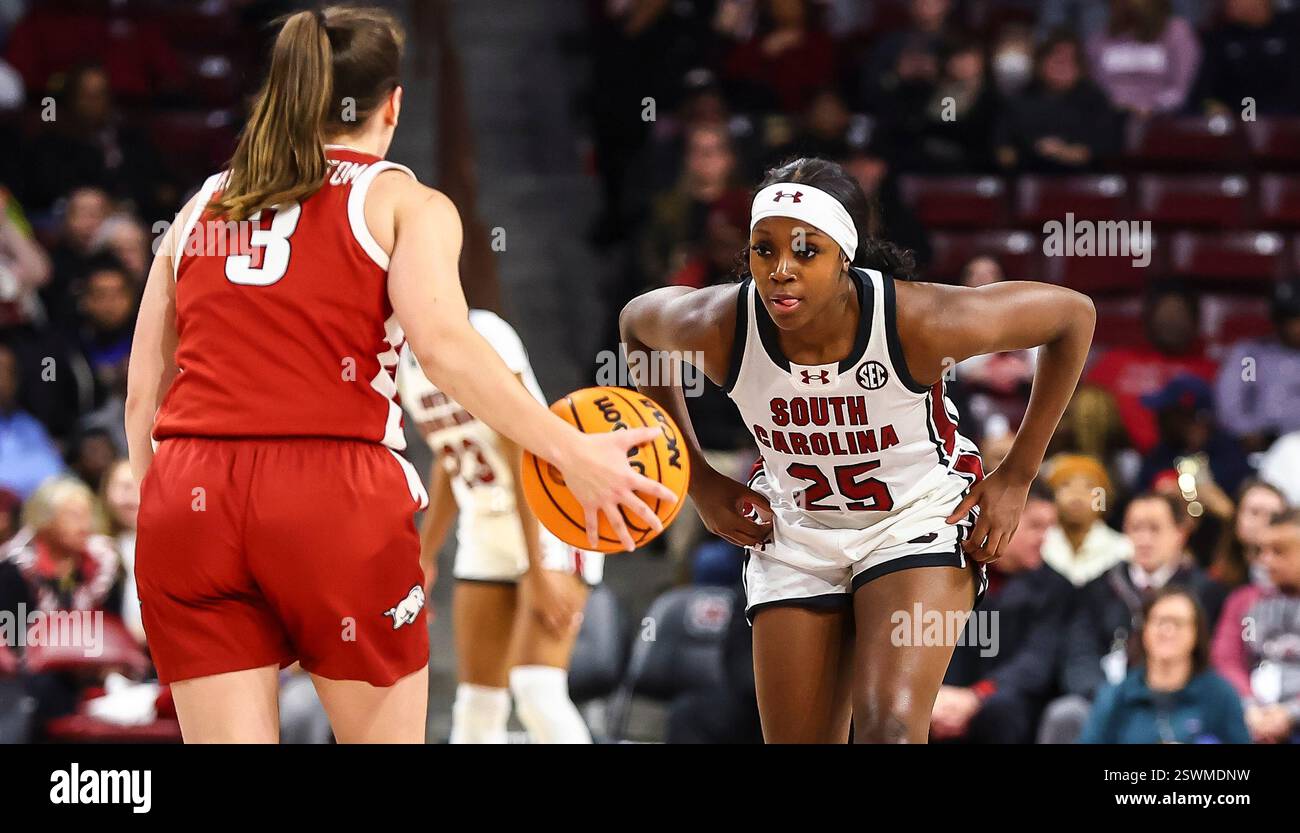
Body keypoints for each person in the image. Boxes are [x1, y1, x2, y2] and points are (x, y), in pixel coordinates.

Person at [124, 7, 674, 745]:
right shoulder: (400, 201)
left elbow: (141, 395)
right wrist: (570, 449)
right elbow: (444, 346)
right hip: (327, 487)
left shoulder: (200, 205)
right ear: (394, 103)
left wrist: (158, 515)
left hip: (187, 493)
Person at [620, 156, 1095, 743]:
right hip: (797, 528)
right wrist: (698, 481)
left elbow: (1073, 316)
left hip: (914, 517)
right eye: (763, 251)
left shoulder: (920, 319)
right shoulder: (721, 323)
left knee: (888, 730)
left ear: (845, 255)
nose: (781, 270)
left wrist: (1017, 474)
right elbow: (636, 327)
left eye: (805, 251)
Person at [397, 310, 600, 744]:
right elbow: (448, 455)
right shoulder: (400, 358)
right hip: (483, 524)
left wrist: (537, 566)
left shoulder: (484, 331)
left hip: (548, 513)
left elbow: (520, 444)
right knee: (475, 704)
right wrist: (424, 557)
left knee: (536, 691)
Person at [934, 480, 1072, 744]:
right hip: (942, 699)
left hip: (1005, 703)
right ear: (1004, 520)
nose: (1044, 537)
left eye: (1049, 527)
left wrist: (976, 697)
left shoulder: (1056, 590)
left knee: (1003, 711)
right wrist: (935, 696)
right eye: (1035, 526)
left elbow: (1036, 662)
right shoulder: (952, 576)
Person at [1079, 586, 1249, 743]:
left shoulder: (1220, 696)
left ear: (1196, 633)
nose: (1167, 631)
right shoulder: (1115, 697)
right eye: (1159, 622)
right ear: (1144, 630)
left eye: (1178, 623)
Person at [1211, 508, 1300, 743]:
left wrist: (1290, 713)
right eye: (1262, 551)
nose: (1265, 560)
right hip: (1249, 719)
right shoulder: (1242, 601)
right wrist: (1249, 707)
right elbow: (1226, 661)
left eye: (1279, 552)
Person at [1041, 453, 1131, 587]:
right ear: (1051, 497)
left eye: (1090, 486)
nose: (1077, 493)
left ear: (1103, 499)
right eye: (1065, 484)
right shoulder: (1038, 546)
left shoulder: (1123, 549)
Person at [1208, 480, 1288, 593]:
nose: (1264, 521)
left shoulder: (1291, 583)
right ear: (1236, 518)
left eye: (1274, 515)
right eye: (1255, 512)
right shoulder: (1215, 581)